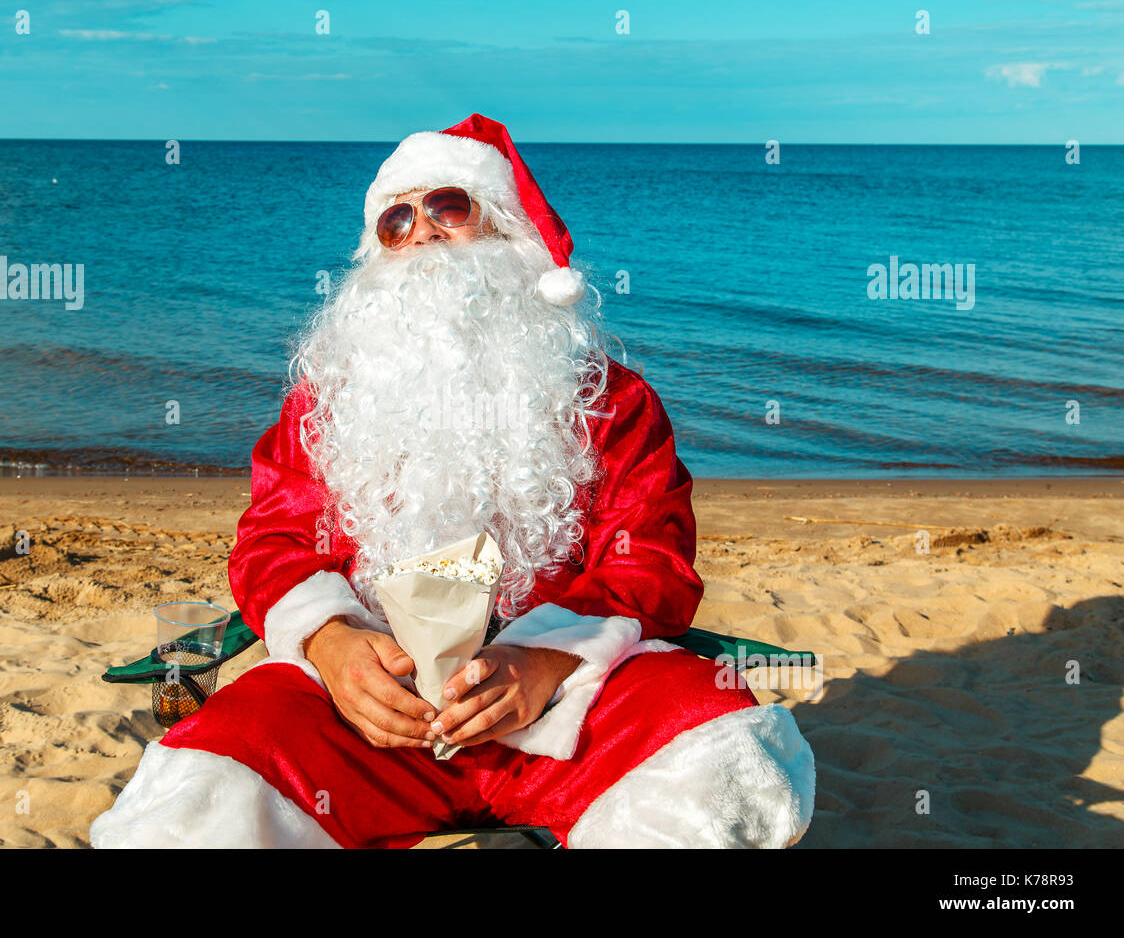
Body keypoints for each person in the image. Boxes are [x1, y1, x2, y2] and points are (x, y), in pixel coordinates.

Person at [90, 113, 815, 848]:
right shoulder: (327, 404)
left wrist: (542, 659)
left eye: (449, 205)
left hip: (565, 703)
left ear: (506, 229)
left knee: (713, 741)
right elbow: (275, 540)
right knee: (215, 771)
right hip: (368, 721)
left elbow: (651, 557)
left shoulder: (609, 400)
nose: (424, 233)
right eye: (396, 220)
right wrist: (333, 645)